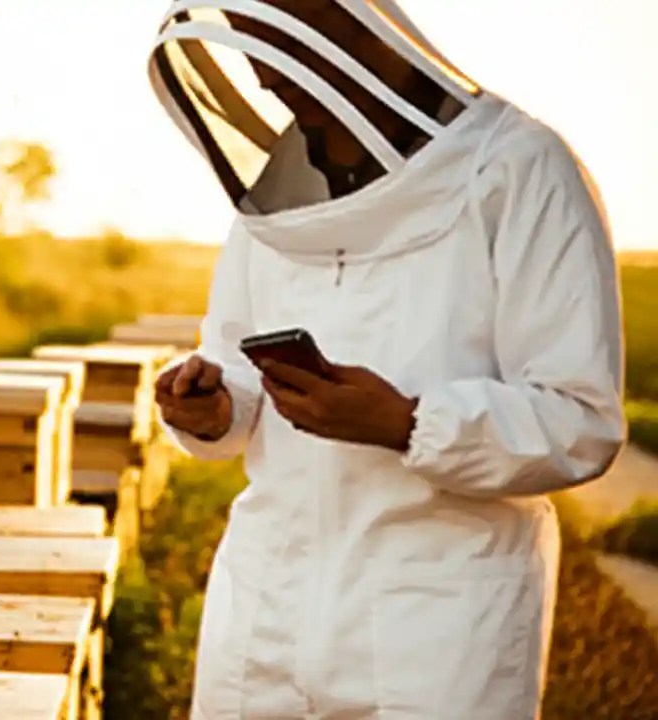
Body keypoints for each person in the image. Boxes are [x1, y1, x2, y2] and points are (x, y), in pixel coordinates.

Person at [146, 1, 626, 718]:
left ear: (355, 29)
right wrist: (213, 408)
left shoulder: (518, 169)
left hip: (435, 628)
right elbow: (238, 366)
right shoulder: (280, 192)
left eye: (282, 49)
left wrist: (406, 422)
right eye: (251, 52)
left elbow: (580, 422)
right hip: (266, 611)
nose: (267, 81)